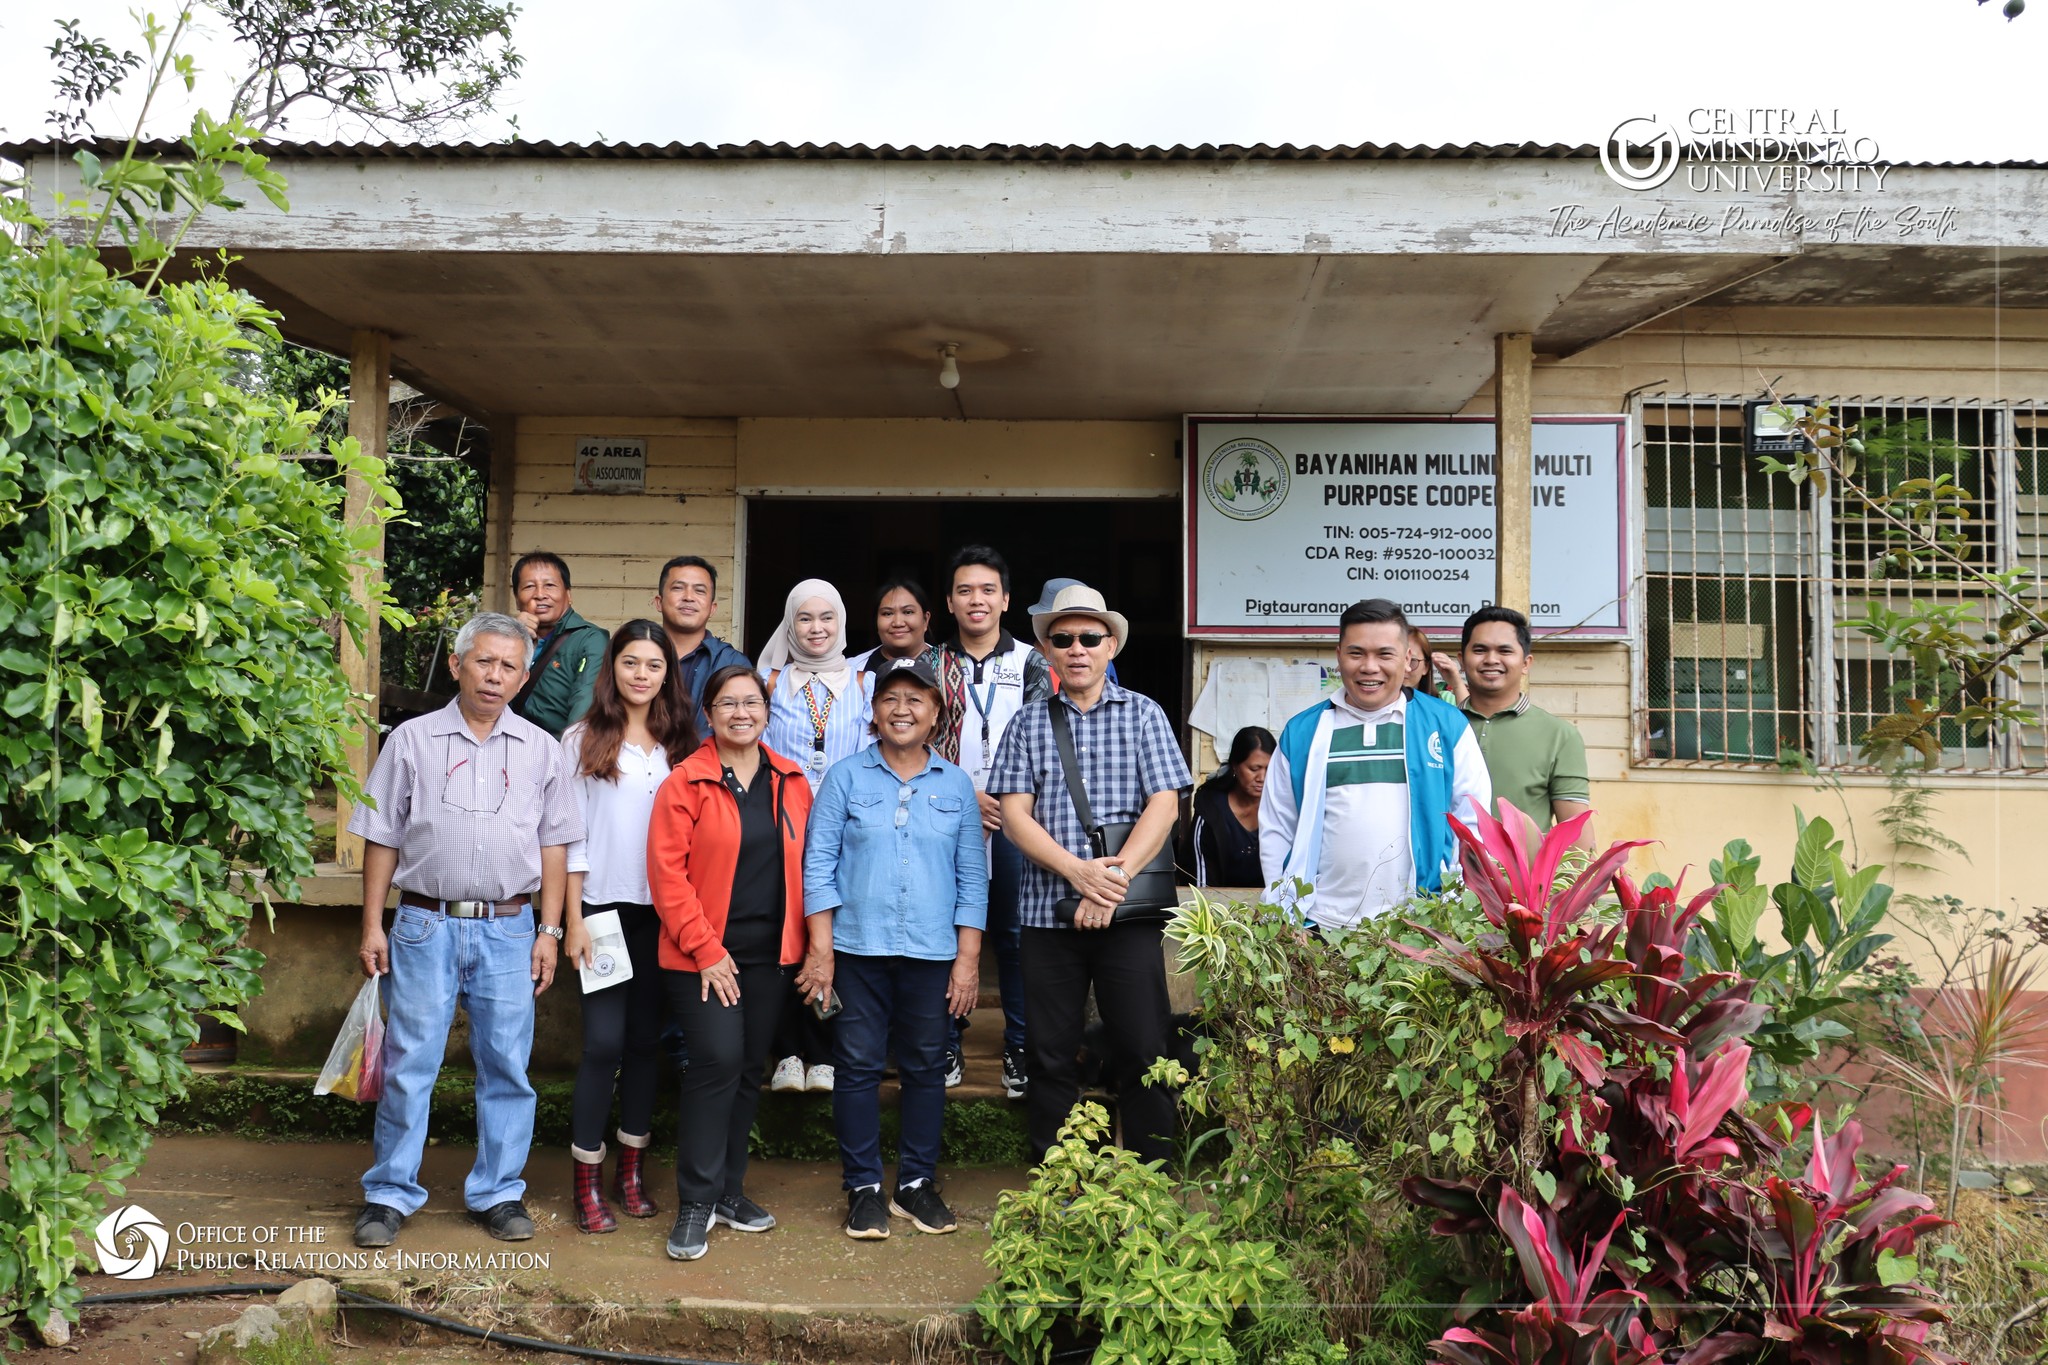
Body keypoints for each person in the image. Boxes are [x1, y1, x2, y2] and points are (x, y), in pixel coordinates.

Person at [347, 612, 580, 1250]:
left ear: (524, 677)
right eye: (484, 661)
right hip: (424, 923)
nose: (494, 676)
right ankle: (389, 1194)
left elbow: (555, 845)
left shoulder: (542, 749)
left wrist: (549, 930)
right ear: (457, 665)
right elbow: (381, 836)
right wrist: (373, 925)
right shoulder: (411, 740)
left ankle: (498, 1192)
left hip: (510, 928)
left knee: (506, 1065)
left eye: (509, 666)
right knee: (409, 1063)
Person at [989, 583, 1192, 1165]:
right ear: (1046, 650)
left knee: (1145, 1049)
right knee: (1050, 1054)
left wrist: (1111, 883)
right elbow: (1015, 817)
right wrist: (1079, 873)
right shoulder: (1027, 723)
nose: (1077, 649)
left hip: (1130, 913)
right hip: (1046, 914)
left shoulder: (1145, 714)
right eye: (1063, 639)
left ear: (1111, 646)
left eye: (1089, 638)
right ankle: (1059, 1181)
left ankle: (1151, 1179)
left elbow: (1165, 805)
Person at [801, 658, 987, 1239]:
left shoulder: (955, 784)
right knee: (857, 1066)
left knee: (926, 1066)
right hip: (857, 949)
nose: (902, 709)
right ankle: (863, 1188)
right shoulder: (845, 777)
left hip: (933, 952)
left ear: (935, 714)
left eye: (916, 699)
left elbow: (972, 877)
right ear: (874, 711)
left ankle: (914, 1184)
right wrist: (821, 951)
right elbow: (818, 865)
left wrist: (967, 960)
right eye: (890, 698)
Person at [647, 665, 816, 1261]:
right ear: (708, 713)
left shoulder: (791, 780)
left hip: (771, 955)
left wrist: (812, 947)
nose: (741, 713)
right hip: (701, 954)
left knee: (747, 1069)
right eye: (727, 704)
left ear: (767, 713)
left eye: (751, 703)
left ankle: (728, 1192)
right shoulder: (684, 783)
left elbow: (809, 866)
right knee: (716, 1062)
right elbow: (666, 877)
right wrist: (707, 950)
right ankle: (695, 1201)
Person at [559, 620, 698, 1234]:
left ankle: (631, 1172)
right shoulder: (583, 739)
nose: (642, 675)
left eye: (654, 665)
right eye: (631, 663)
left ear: (669, 674)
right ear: (611, 667)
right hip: (602, 913)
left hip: (663, 916)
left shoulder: (683, 745)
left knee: (646, 1044)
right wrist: (572, 920)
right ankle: (586, 1180)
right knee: (603, 1044)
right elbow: (570, 839)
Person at [1260, 598, 1492, 933]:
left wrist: (1454, 911)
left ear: (1407, 659)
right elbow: (1278, 828)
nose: (1370, 667)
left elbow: (1473, 823)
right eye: (1356, 653)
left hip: (1422, 927)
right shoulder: (1302, 732)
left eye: (1384, 654)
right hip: (1320, 926)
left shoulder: (1446, 725)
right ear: (1339, 656)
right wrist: (1283, 913)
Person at [936, 546, 1053, 1097]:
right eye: (964, 590)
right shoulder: (932, 664)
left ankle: (1020, 1046)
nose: (976, 600)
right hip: (946, 816)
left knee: (1014, 934)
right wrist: (966, 795)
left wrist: (1004, 798)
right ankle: (946, 1040)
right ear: (950, 602)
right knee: (943, 932)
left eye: (987, 590)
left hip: (1015, 818)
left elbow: (1040, 737)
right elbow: (916, 737)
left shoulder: (1032, 663)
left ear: (1006, 600)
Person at [760, 579, 872, 1093]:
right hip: (781, 828)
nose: (816, 628)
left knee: (835, 936)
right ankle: (786, 1050)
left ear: (841, 622)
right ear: (789, 625)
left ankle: (825, 1051)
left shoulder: (866, 683)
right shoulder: (769, 682)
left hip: (847, 831)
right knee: (785, 934)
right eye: (804, 618)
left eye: (826, 617)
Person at [1458, 606, 1593, 847]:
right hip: (1443, 871)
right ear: (1461, 659)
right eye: (1480, 650)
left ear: (1525, 663)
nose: (1491, 659)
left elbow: (1576, 834)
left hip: (1523, 872)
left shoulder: (1559, 735)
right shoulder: (1438, 727)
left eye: (1505, 651)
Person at [509, 551, 607, 737]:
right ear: (516, 599)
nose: (540, 595)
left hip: (558, 747)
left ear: (568, 595)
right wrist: (512, 638)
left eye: (550, 585)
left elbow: (585, 701)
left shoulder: (591, 639)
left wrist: (569, 748)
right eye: (529, 586)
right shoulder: (510, 638)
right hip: (509, 745)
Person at [653, 555, 750, 733]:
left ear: (712, 608)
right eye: (678, 588)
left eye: (699, 590)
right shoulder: (635, 656)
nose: (689, 597)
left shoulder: (732, 663)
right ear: (659, 602)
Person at [1189, 726, 1275, 888]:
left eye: (1269, 769)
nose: (1262, 777)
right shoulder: (1211, 812)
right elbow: (1202, 883)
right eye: (1254, 769)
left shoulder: (1281, 810)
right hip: (1218, 901)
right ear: (1235, 765)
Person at [850, 577, 943, 676]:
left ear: (925, 619)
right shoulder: (852, 670)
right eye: (887, 613)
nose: (898, 623)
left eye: (908, 612)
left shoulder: (949, 667)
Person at [1405, 626, 1466, 705]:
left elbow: (1467, 712)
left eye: (1412, 661)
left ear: (1426, 666)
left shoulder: (1445, 701)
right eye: (1398, 660)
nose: (1405, 668)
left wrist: (1456, 683)